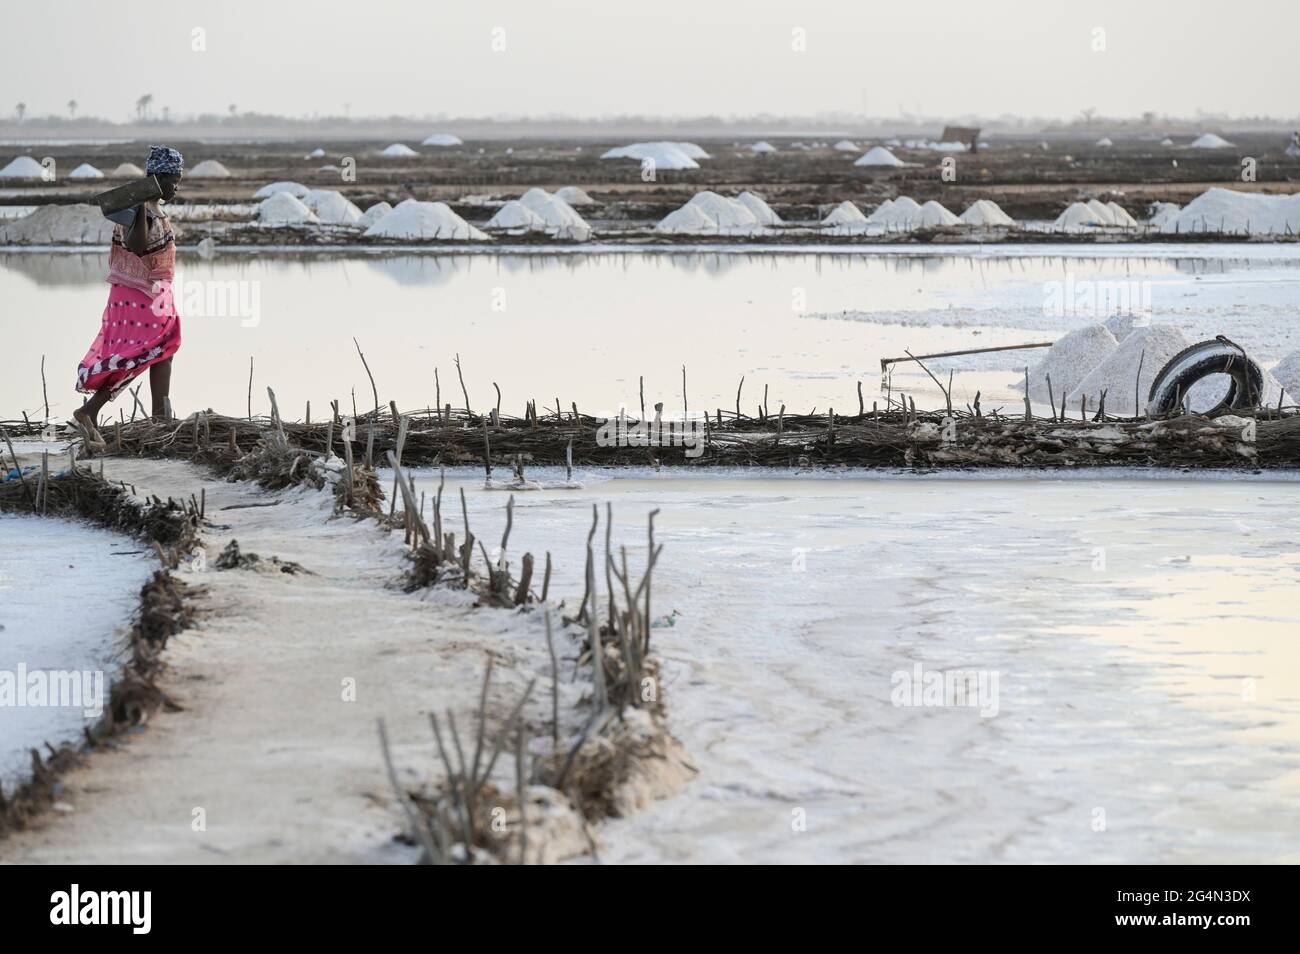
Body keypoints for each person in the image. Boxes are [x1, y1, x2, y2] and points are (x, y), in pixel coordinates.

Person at [73, 145, 184, 446]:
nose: (177, 186)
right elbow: (137, 246)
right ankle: (88, 410)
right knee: (141, 354)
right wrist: (142, 208)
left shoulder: (150, 207)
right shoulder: (141, 207)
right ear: (159, 178)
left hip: (150, 292)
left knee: (164, 350)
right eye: (174, 179)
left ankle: (161, 418)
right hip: (140, 296)